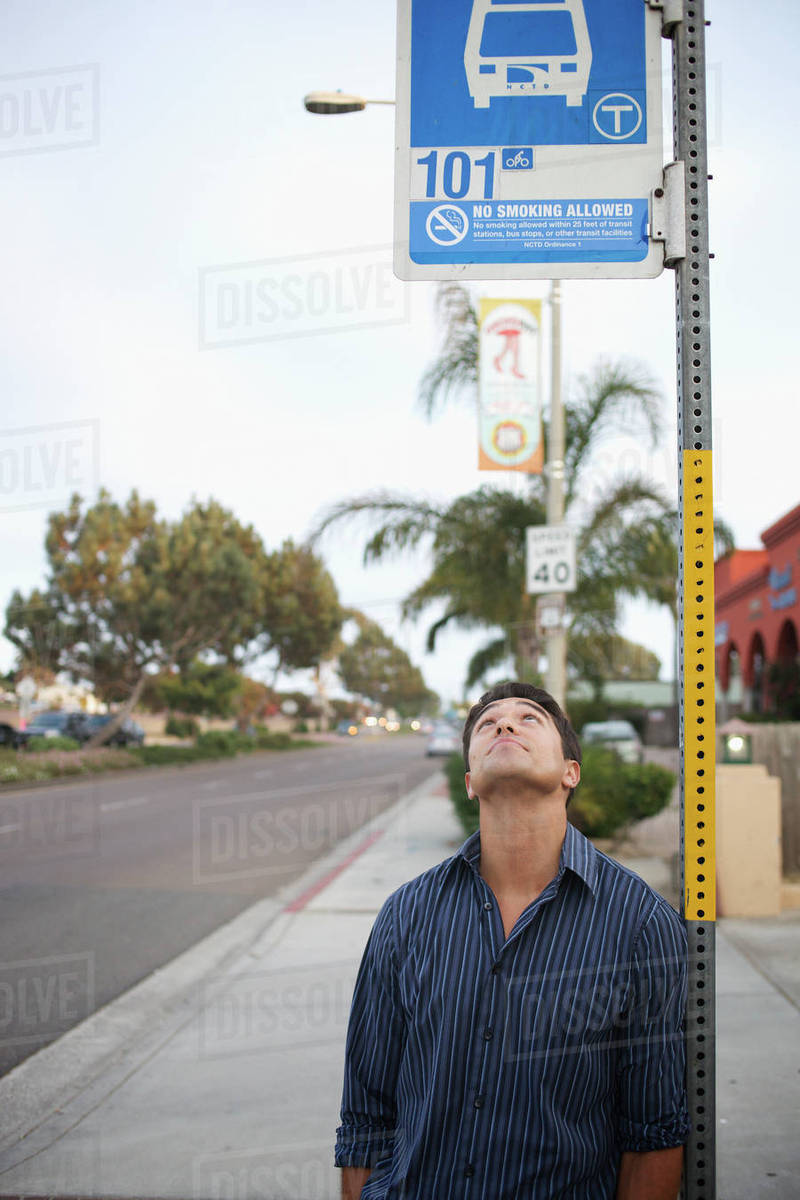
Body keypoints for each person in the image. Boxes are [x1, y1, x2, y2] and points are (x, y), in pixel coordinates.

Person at [335, 682, 689, 1199]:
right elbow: (365, 1115)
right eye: (487, 724)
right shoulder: (406, 914)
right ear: (471, 781)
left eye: (529, 719)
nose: (504, 725)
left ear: (572, 772)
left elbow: (654, 1132)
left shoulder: (640, 922)